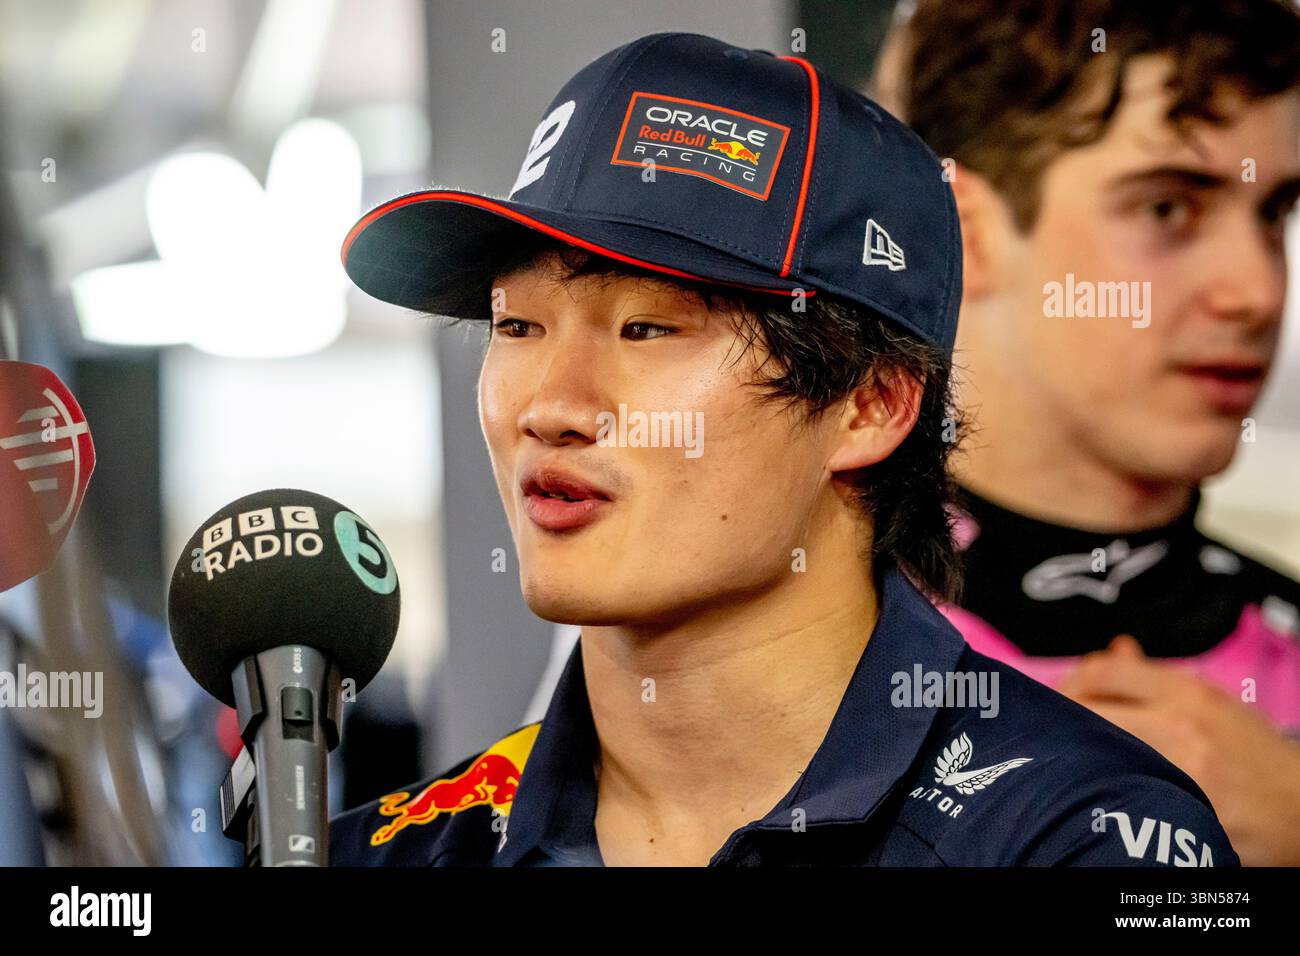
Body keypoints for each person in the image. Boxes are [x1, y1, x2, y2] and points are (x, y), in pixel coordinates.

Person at [329, 31, 1236, 866]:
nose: (550, 407)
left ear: (872, 404)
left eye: (647, 329)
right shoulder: (378, 853)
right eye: (516, 325)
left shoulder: (1083, 839)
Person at [875, 0, 1300, 864]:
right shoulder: (761, 646)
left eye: (1273, 212)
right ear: (962, 233)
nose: (1256, 291)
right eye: (1168, 208)